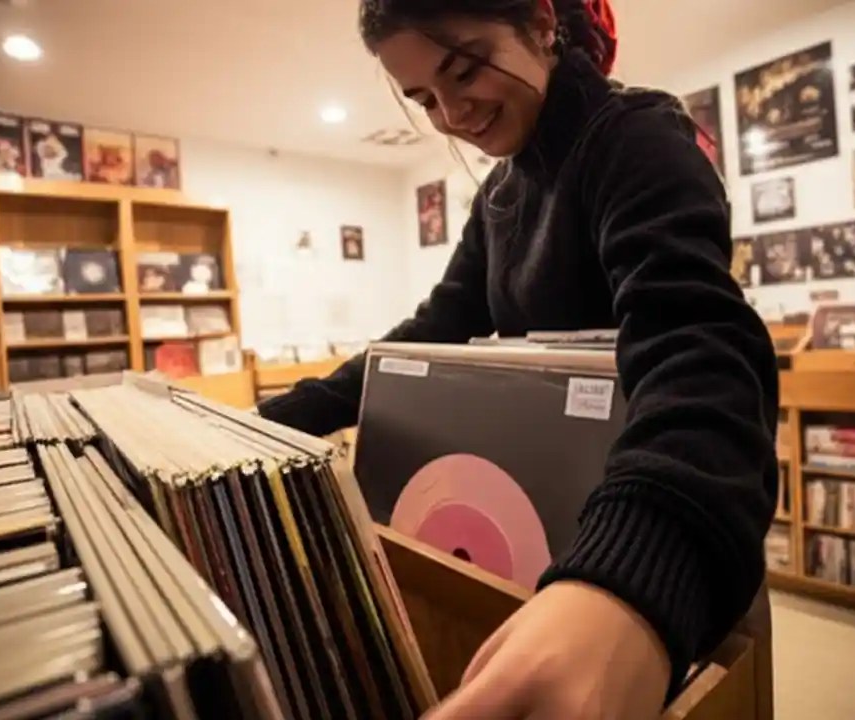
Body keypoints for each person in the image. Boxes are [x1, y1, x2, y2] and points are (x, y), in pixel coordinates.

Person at [258, 1, 778, 717]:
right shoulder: (500, 195)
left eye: (464, 70)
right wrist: (274, 419)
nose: (450, 115)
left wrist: (631, 576)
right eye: (422, 99)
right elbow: (431, 331)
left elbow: (697, 341)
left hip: (665, 533)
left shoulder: (638, 135)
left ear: (540, 22)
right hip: (551, 534)